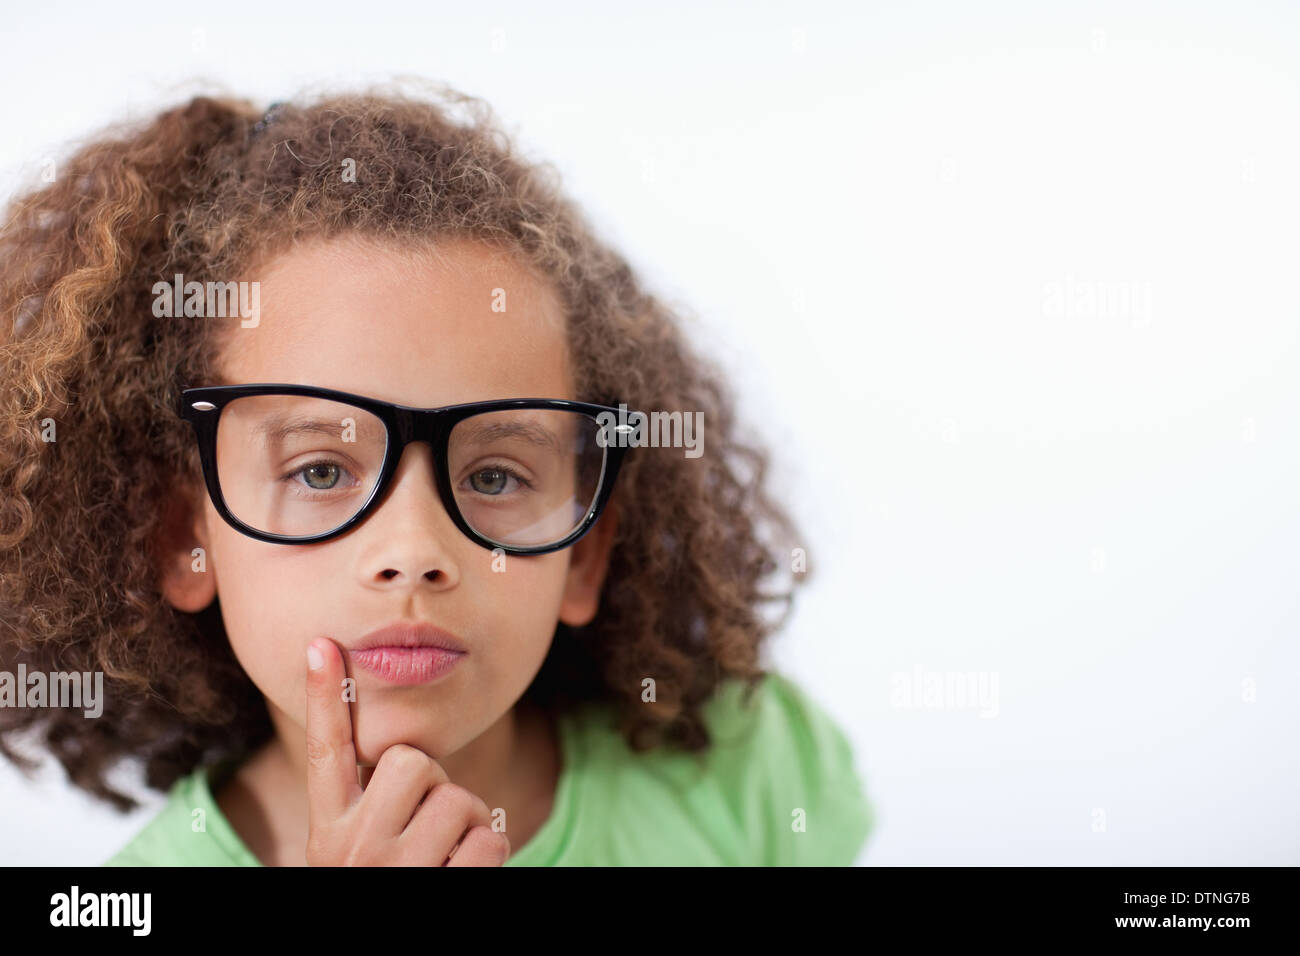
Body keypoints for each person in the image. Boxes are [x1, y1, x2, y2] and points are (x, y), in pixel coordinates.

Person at [0, 84, 873, 866]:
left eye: (494, 477)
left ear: (584, 555)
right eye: (319, 470)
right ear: (182, 538)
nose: (414, 552)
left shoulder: (743, 771)